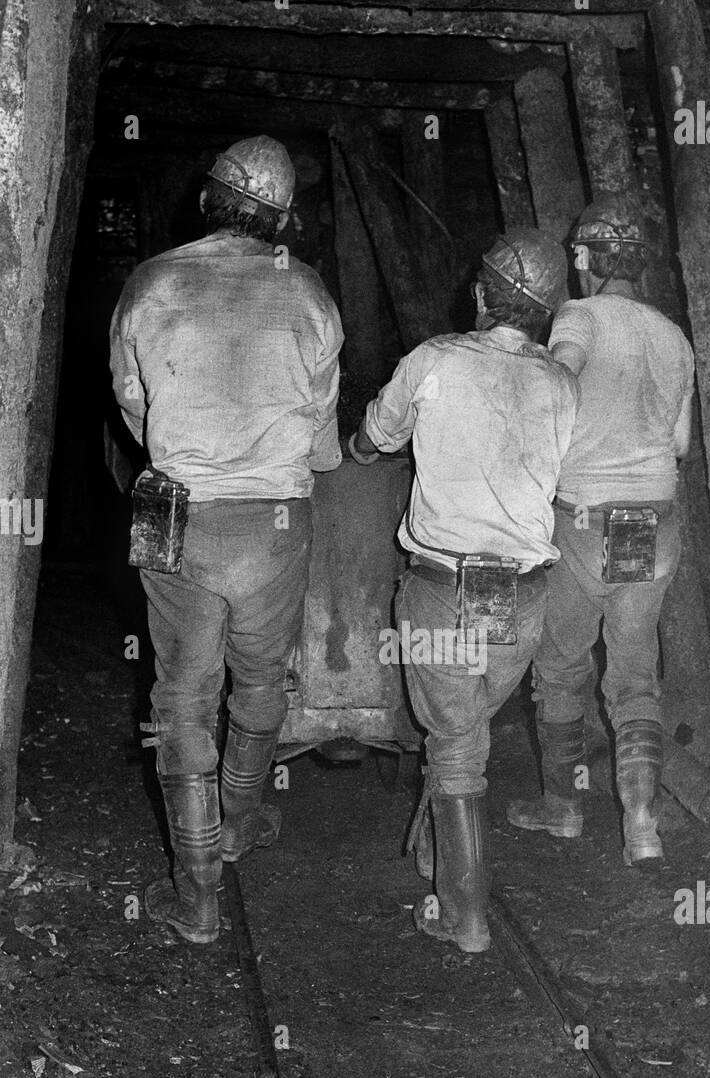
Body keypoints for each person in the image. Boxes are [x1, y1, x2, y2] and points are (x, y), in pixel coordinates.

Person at [110, 135, 343, 944]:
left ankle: (197, 891)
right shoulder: (306, 291)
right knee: (260, 678)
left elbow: (133, 407)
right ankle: (240, 820)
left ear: (209, 199)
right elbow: (319, 433)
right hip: (274, 517)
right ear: (281, 219)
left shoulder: (153, 280)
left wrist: (185, 448)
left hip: (175, 507)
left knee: (179, 694)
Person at [350, 229, 580, 953]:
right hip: (522, 594)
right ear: (545, 314)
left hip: (443, 585)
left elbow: (379, 436)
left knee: (454, 744)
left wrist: (357, 449)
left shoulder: (431, 361)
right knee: (466, 730)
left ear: (480, 295)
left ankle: (465, 916)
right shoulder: (559, 383)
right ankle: (437, 851)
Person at [507, 194, 695, 868]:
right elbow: (678, 443)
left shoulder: (577, 316)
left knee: (559, 668)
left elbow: (553, 384)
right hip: (649, 520)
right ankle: (640, 819)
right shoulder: (672, 335)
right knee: (634, 671)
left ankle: (561, 808)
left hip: (583, 518)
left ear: (582, 258)